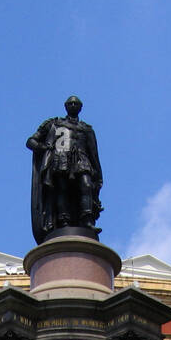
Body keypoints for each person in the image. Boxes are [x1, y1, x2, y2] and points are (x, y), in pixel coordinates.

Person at [26, 96, 103, 243]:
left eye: (76, 104)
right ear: (65, 106)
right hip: (60, 160)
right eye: (70, 103)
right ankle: (63, 221)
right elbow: (31, 141)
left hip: (81, 160)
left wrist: (98, 175)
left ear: (80, 108)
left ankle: (87, 220)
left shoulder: (87, 129)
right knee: (62, 190)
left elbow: (94, 153)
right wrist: (45, 148)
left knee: (86, 185)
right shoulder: (54, 124)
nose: (73, 105)